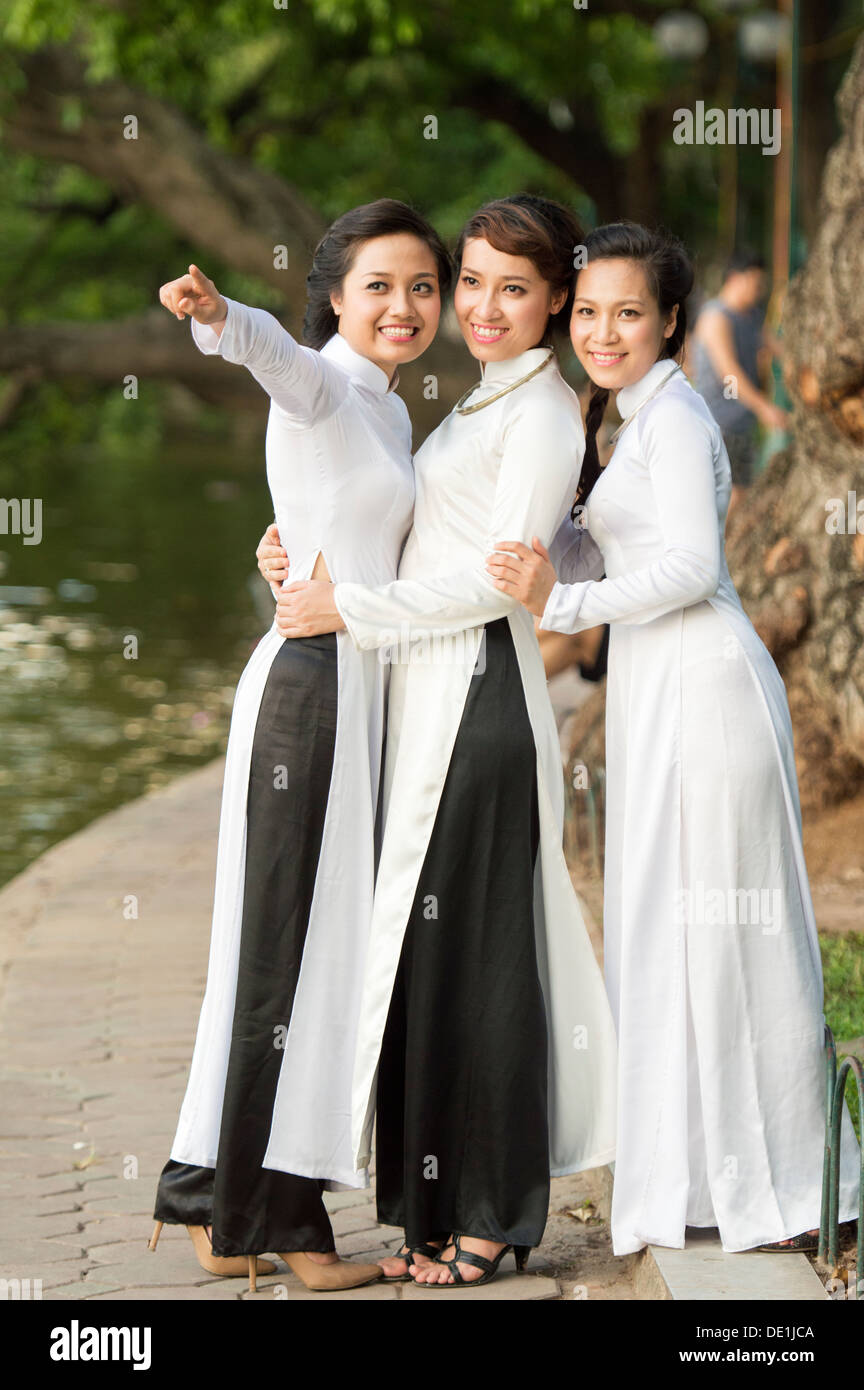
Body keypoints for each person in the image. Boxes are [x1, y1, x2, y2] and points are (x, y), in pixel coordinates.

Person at [486, 220, 860, 1258]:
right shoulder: (625, 423)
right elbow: (607, 541)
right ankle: (701, 1181)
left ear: (671, 323)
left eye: (629, 313)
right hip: (659, 696)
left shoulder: (681, 418)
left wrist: (564, 600)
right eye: (591, 311)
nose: (606, 331)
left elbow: (692, 566)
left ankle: (787, 1188)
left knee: (732, 937)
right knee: (670, 934)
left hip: (708, 690)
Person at [266, 195, 617, 1288]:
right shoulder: (473, 407)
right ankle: (425, 1207)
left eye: (513, 287)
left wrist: (351, 614)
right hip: (415, 701)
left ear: (558, 298)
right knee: (427, 960)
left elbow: (492, 583)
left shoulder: (544, 415)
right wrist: (293, 558)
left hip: (480, 704)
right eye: (471, 281)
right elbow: (401, 531)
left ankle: (497, 1216)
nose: (483, 305)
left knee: (485, 963)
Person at [147, 199, 452, 1292]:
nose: (403, 307)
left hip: (356, 684)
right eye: (378, 285)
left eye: (422, 285)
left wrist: (285, 555)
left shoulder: (393, 417)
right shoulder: (322, 382)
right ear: (335, 294)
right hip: (310, 695)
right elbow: (273, 359)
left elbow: (353, 540)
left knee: (284, 945)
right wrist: (218, 317)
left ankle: (210, 1198)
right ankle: (278, 1219)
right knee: (288, 948)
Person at [690, 250, 788, 517]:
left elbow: (778, 348)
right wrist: (764, 408)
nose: (759, 291)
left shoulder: (752, 317)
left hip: (742, 427)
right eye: (755, 284)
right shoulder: (715, 317)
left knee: (740, 494)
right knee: (727, 497)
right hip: (718, 424)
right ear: (735, 279)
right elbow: (729, 374)